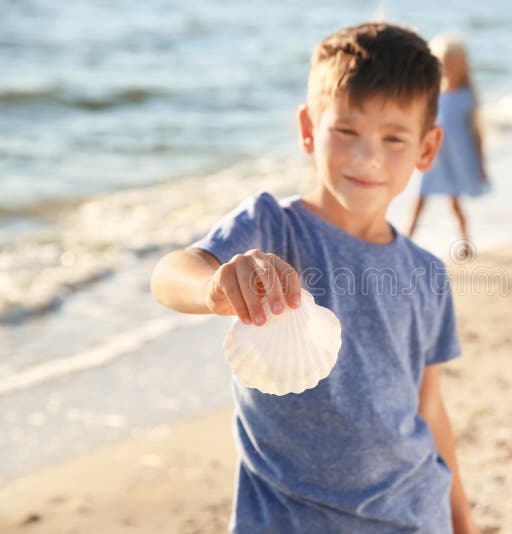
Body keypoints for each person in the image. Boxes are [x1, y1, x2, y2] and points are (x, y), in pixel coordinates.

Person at [150, 22, 479, 534]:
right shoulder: (272, 228)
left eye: (394, 137)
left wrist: (464, 523)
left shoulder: (427, 274)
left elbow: (430, 407)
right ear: (309, 128)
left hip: (415, 516)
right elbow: (170, 275)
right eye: (346, 130)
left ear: (427, 149)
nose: (368, 155)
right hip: (287, 521)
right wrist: (214, 287)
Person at [407, 34, 490, 243]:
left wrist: (480, 163)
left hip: (454, 159)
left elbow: (476, 132)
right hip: (433, 157)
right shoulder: (432, 94)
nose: (447, 69)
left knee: (454, 202)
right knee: (420, 197)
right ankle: (408, 238)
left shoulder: (465, 96)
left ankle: (465, 239)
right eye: (443, 64)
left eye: (452, 65)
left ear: (462, 66)